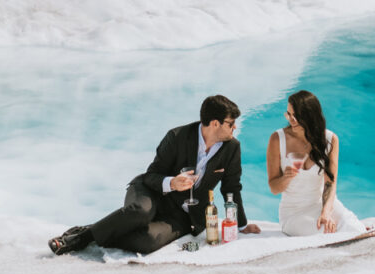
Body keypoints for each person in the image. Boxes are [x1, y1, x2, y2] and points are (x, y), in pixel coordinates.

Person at [49, 94, 261, 254]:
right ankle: (82, 238)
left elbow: (232, 187)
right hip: (152, 192)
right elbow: (152, 174)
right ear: (215, 123)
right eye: (231, 123)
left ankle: (98, 229)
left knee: (148, 242)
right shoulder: (177, 136)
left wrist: (242, 224)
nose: (234, 128)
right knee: (140, 212)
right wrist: (172, 183)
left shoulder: (232, 147)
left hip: (184, 214)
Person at [266, 89, 361, 236]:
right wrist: (287, 177)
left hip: (325, 204)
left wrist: (325, 212)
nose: (292, 120)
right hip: (294, 212)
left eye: (297, 115)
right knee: (326, 232)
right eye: (289, 114)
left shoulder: (330, 140)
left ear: (311, 115)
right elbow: (273, 188)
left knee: (354, 229)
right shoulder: (277, 139)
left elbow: (330, 183)